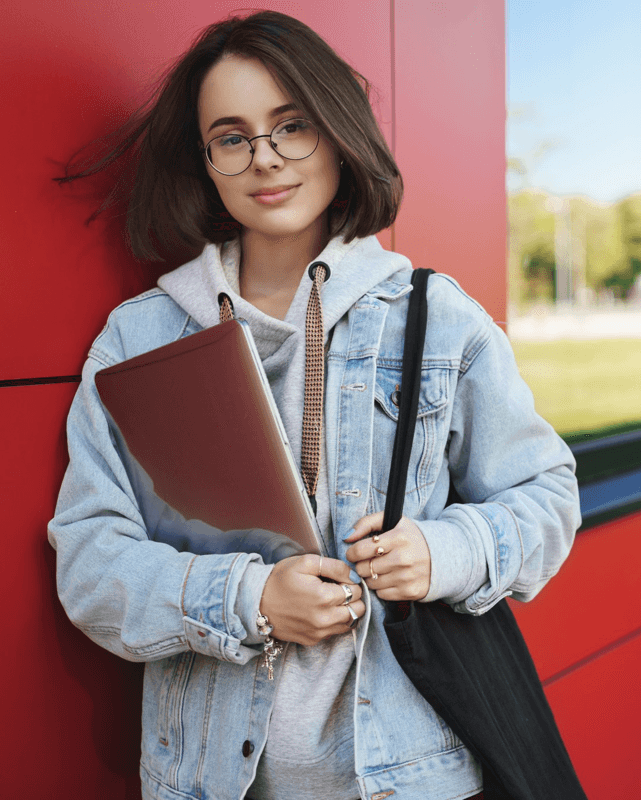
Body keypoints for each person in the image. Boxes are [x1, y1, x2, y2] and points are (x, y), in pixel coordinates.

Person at [48, 11, 580, 800]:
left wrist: (444, 551)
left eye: (291, 126)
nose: (265, 157)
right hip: (210, 781)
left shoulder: (437, 320)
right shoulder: (141, 338)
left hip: (412, 779)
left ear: (337, 132)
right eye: (231, 137)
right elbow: (91, 561)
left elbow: (548, 497)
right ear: (205, 162)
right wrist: (251, 599)